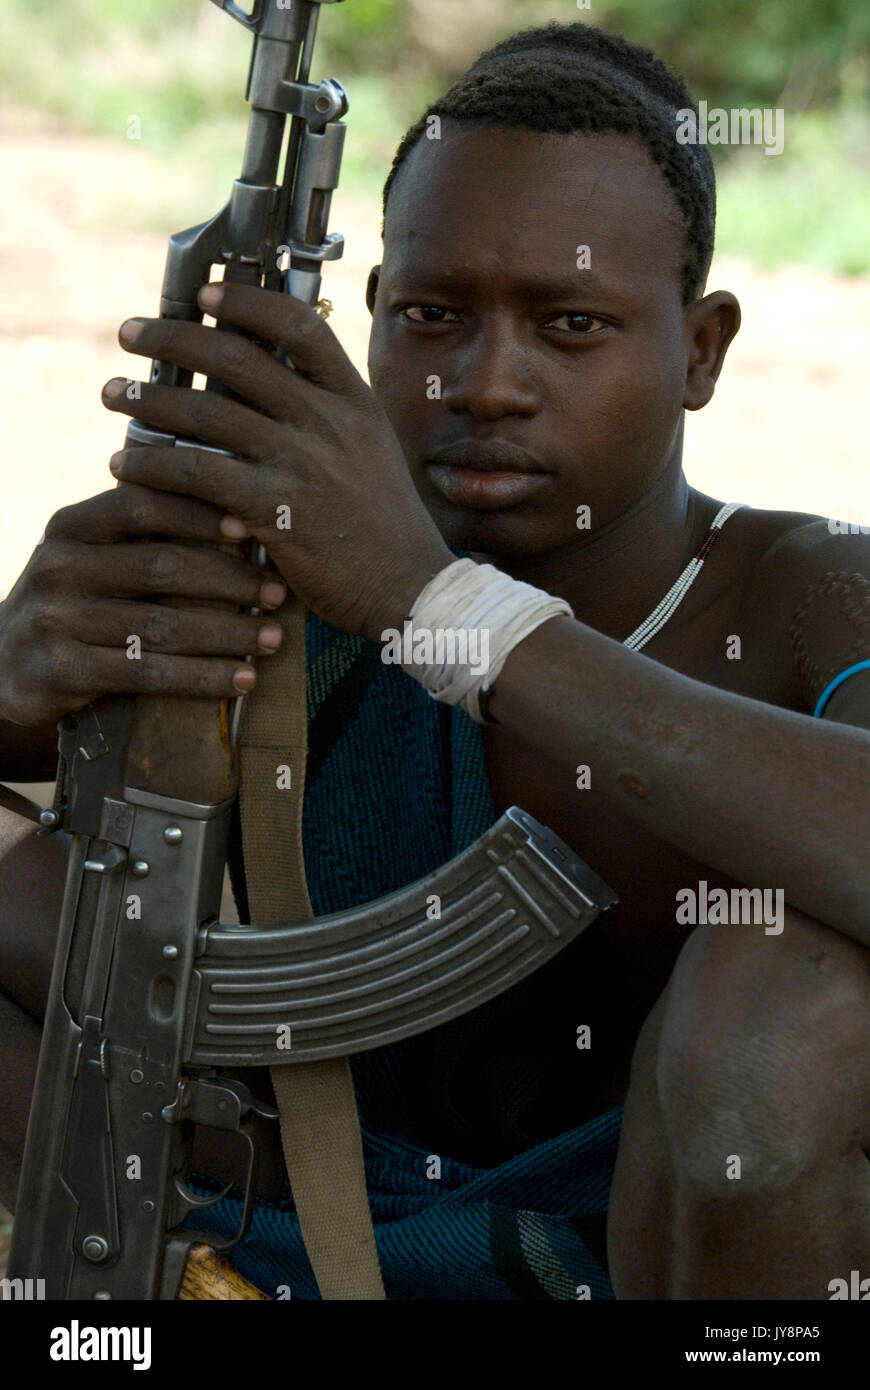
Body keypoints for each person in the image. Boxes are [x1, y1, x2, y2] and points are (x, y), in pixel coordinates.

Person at [1, 21, 868, 1300]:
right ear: (369, 320)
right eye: (432, 315)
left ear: (702, 348)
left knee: (782, 999)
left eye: (570, 324)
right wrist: (14, 684)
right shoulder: (264, 583)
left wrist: (446, 611)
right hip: (257, 1234)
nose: (486, 382)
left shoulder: (808, 592)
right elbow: (82, 913)